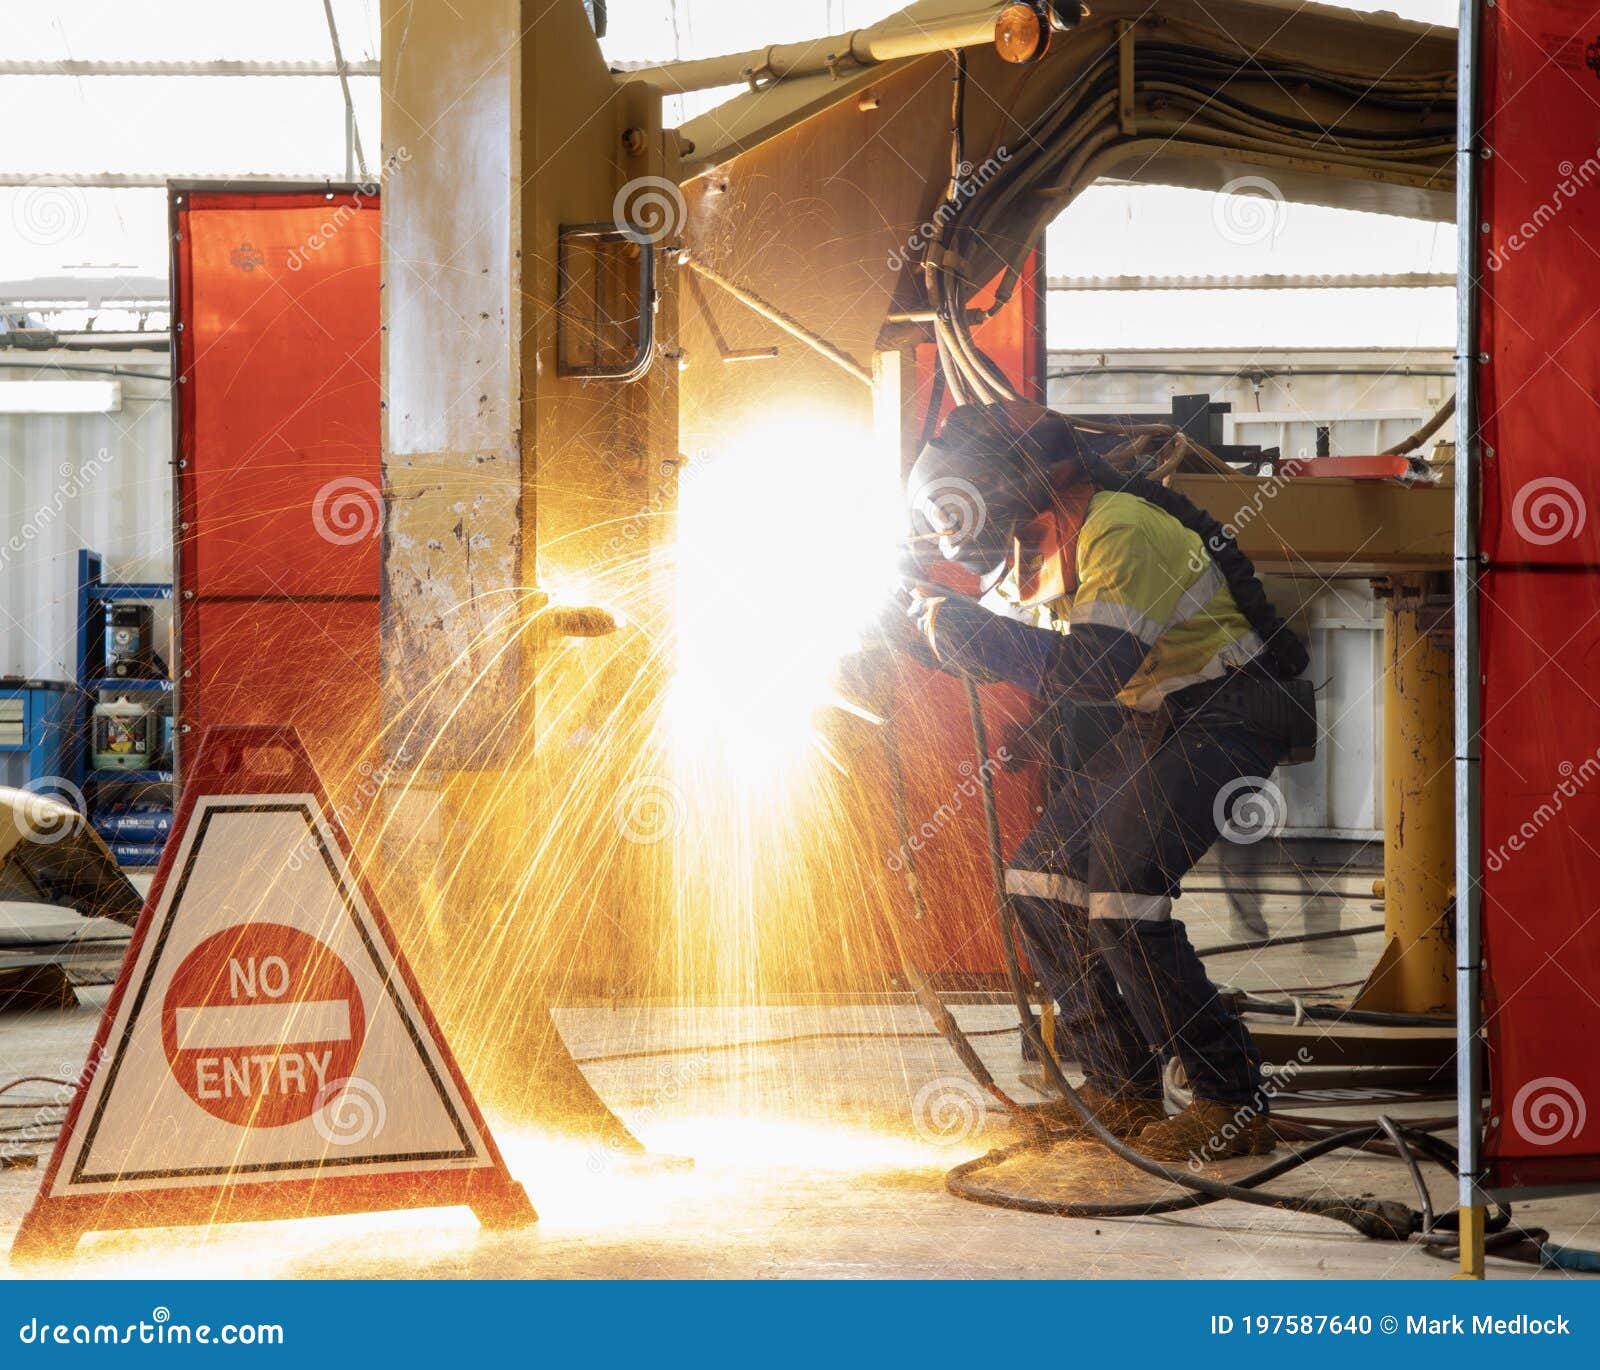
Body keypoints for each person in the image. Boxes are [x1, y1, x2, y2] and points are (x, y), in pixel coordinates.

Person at [893, 401, 1314, 1161]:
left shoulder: (1119, 528)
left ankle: (1230, 1099)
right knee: (1039, 879)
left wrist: (970, 631)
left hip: (1229, 708)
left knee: (1124, 897)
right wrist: (915, 631)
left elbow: (1089, 668)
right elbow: (1025, 650)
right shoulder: (1043, 535)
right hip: (1160, 717)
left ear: (1016, 485)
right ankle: (1122, 1086)